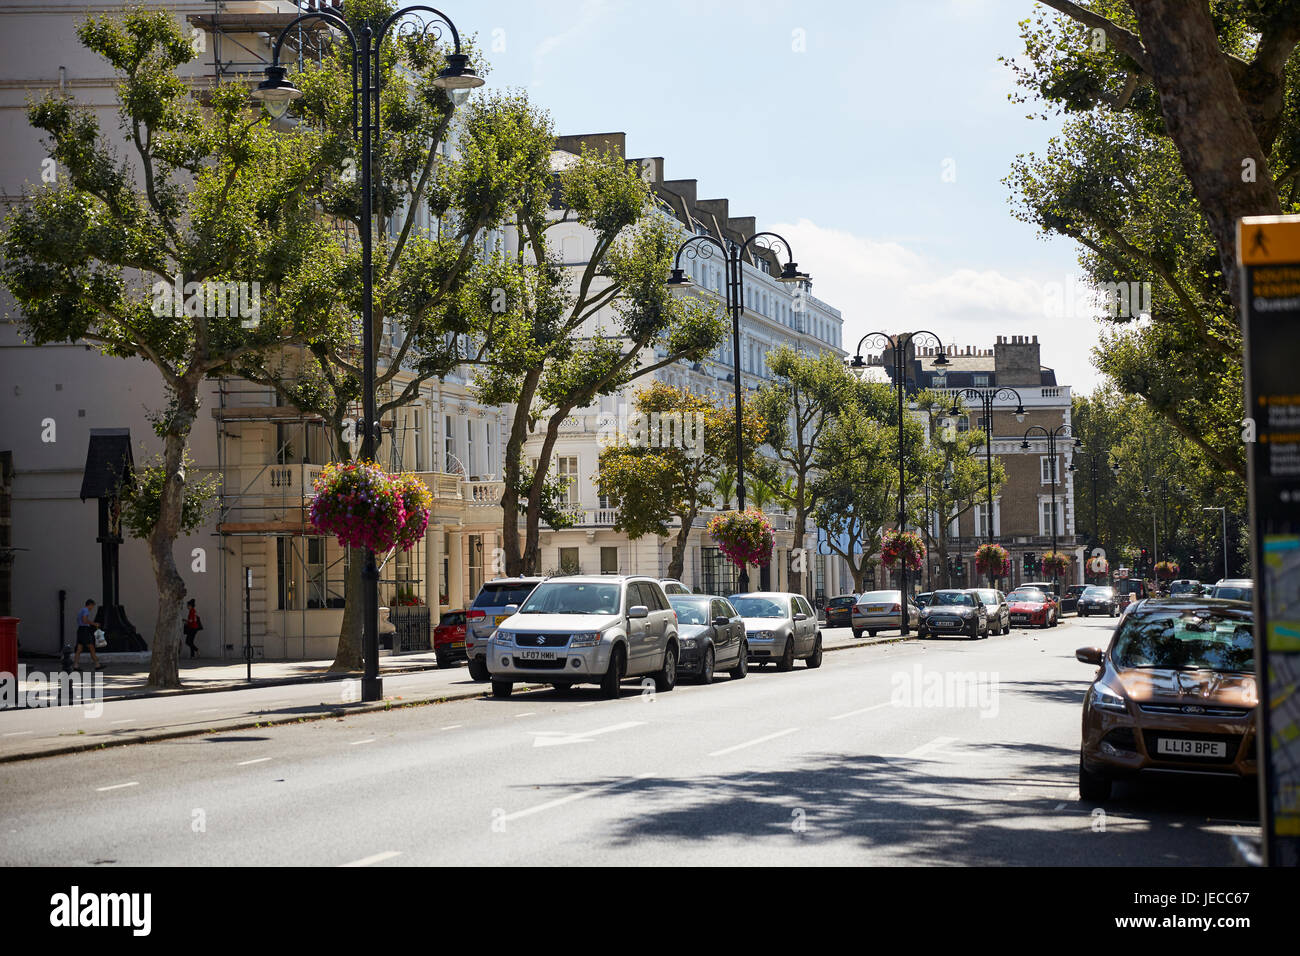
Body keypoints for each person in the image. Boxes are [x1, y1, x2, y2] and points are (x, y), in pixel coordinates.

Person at [73, 598, 104, 670]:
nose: (92, 608)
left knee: (79, 649)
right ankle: (97, 665)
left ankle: (75, 665)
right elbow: (84, 620)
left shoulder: (81, 610)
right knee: (91, 647)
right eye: (92, 606)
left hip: (80, 630)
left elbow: (80, 620)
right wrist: (94, 624)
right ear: (90, 605)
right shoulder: (86, 610)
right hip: (85, 630)